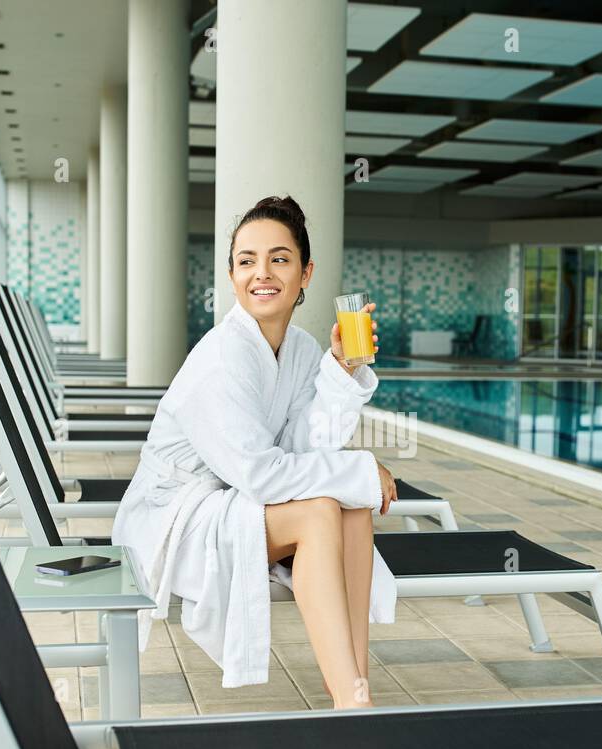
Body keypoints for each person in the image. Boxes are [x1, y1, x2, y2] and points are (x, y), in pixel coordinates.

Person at [112, 195, 399, 709]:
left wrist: (341, 368)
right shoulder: (222, 356)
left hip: (236, 501)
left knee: (352, 510)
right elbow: (265, 477)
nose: (261, 274)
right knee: (318, 512)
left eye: (279, 259)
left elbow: (306, 449)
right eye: (246, 261)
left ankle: (356, 686)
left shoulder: (303, 348)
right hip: (175, 520)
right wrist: (360, 467)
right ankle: (351, 705)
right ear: (231, 274)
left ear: (305, 273)